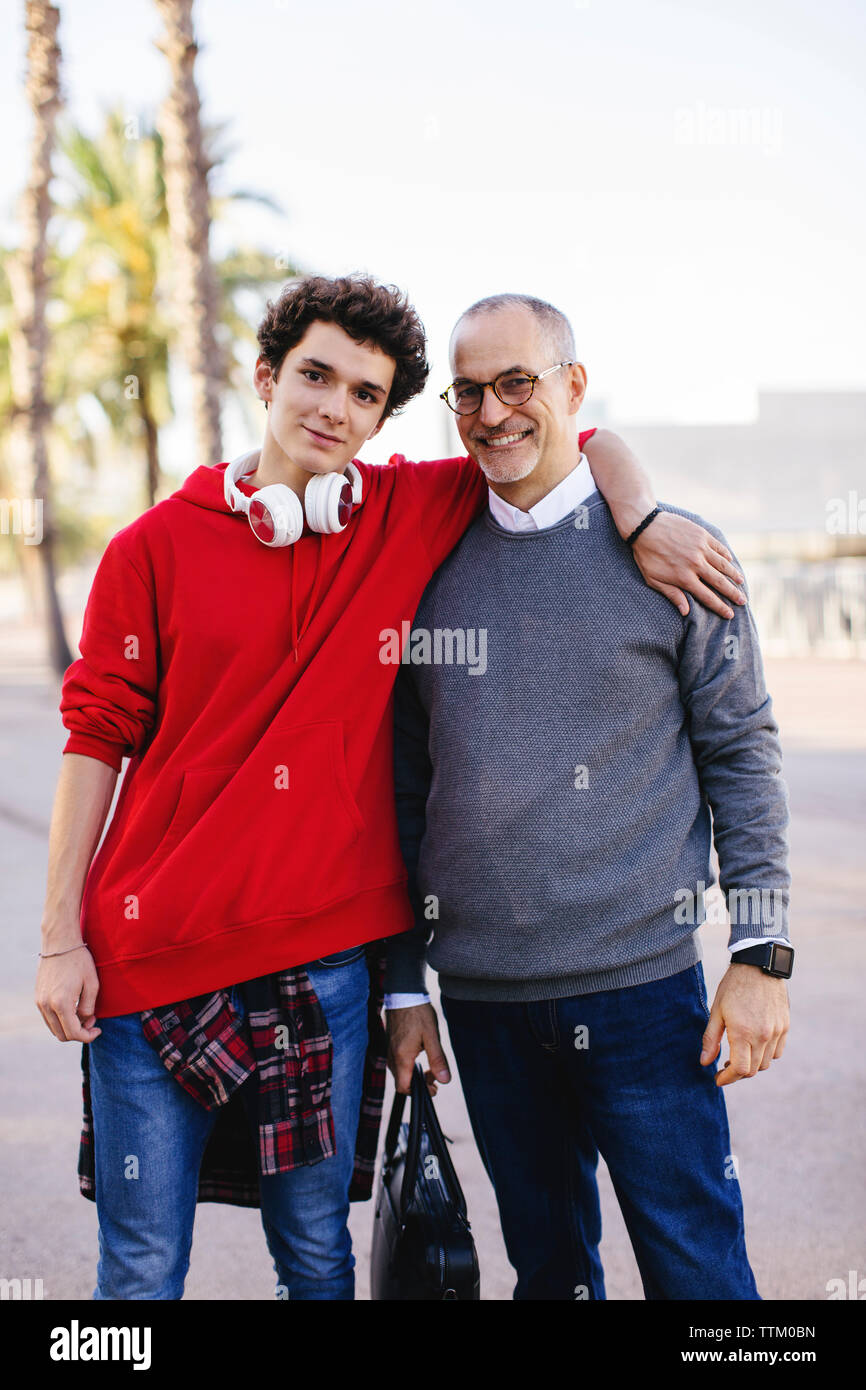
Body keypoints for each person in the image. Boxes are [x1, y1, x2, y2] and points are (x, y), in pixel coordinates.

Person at [35, 275, 745, 1301]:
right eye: (315, 376)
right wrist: (62, 940)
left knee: (320, 1265)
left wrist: (639, 517)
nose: (333, 407)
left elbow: (558, 435)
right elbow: (93, 737)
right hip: (150, 967)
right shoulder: (148, 549)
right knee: (139, 1272)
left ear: (383, 417)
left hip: (323, 970)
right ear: (265, 376)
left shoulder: (406, 511)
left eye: (364, 394)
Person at [386, 292, 792, 1301]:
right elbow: (398, 793)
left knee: (698, 1276)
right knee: (548, 1276)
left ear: (572, 386)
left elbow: (742, 755)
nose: (490, 413)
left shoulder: (676, 557)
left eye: (515, 382)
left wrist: (760, 955)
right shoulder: (422, 567)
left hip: (643, 996)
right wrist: (402, 982)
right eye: (467, 392)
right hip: (483, 1003)